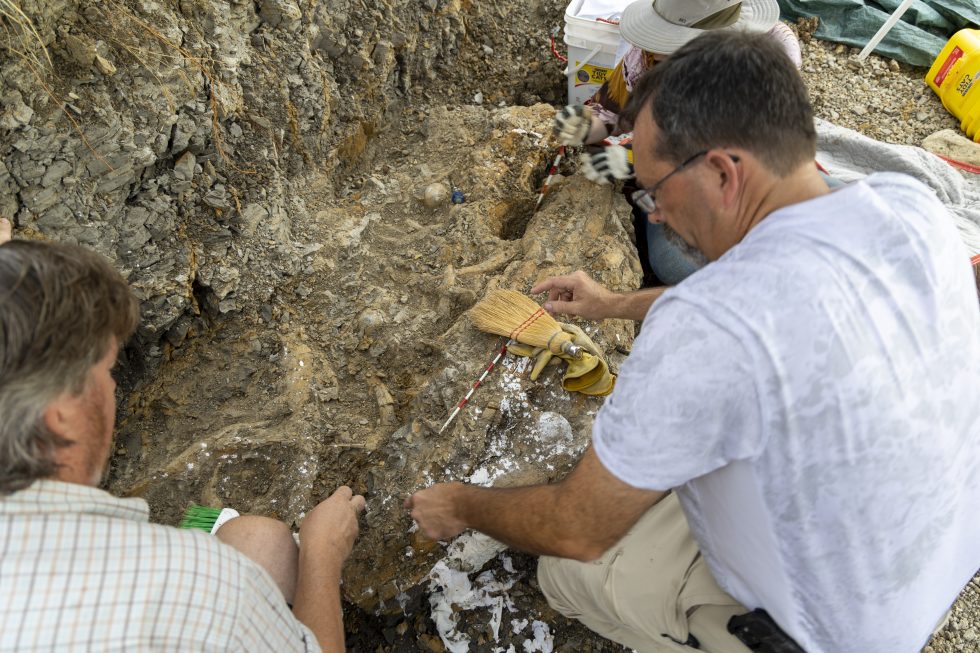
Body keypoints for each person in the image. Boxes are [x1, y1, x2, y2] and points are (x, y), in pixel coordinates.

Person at [406, 31, 980, 653]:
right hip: (926, 559)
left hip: (835, 632)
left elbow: (579, 529)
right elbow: (770, 312)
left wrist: (460, 505)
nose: (652, 212)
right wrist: (612, 305)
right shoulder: (911, 207)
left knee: (564, 573)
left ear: (723, 173)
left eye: (656, 189)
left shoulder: (708, 326)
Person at [0, 238, 365, 652]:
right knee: (269, 552)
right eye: (104, 370)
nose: (114, 385)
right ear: (59, 413)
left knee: (257, 541)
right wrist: (323, 553)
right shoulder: (195, 585)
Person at [555, 0, 801, 286]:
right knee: (676, 264)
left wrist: (636, 163)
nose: (656, 52)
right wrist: (586, 126)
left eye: (673, 45)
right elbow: (612, 110)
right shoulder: (647, 55)